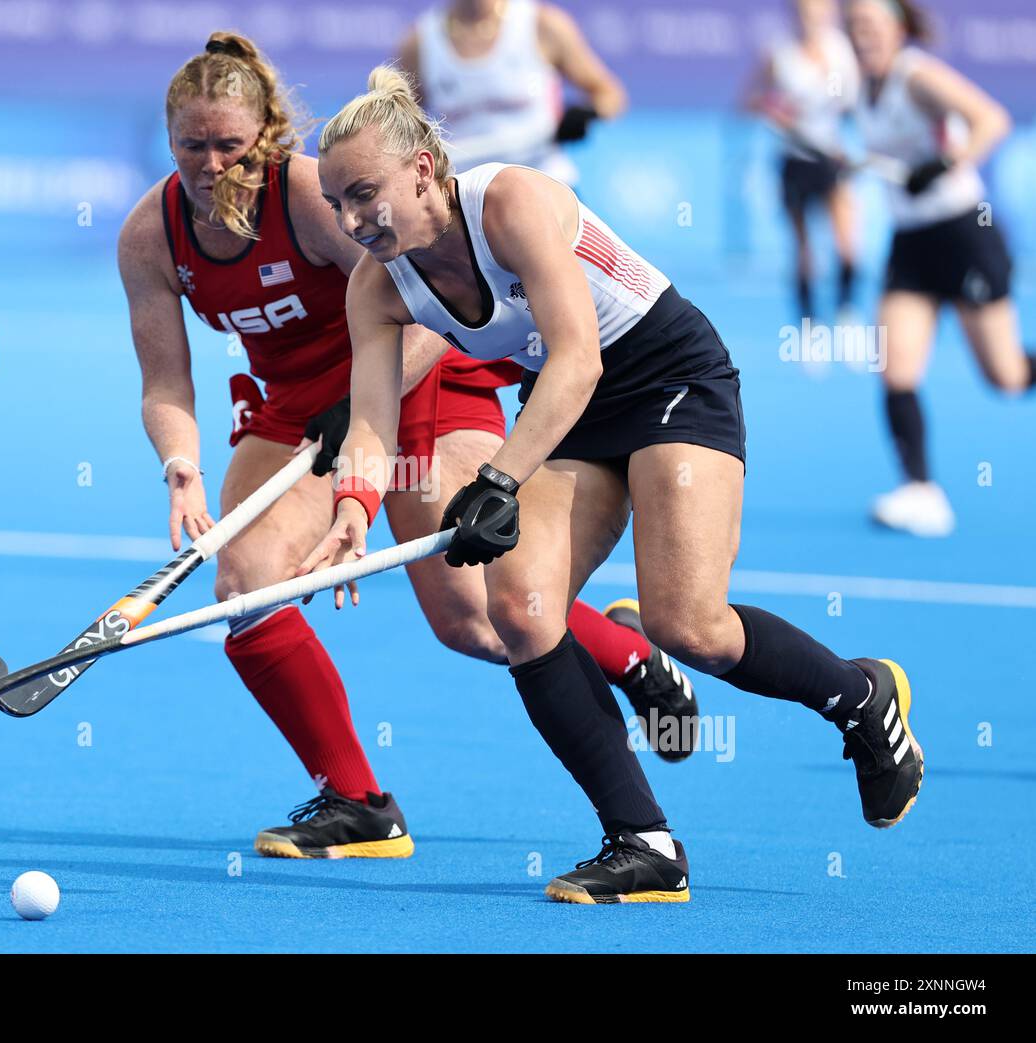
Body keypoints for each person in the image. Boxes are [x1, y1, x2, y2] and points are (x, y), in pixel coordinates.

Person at [305, 66, 924, 904]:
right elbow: (372, 424)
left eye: (363, 193)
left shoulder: (511, 203)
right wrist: (352, 509)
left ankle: (862, 697)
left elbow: (578, 357)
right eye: (338, 202)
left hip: (665, 374)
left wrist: (497, 478)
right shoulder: (376, 286)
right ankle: (645, 840)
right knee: (520, 612)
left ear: (423, 170)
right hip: (574, 411)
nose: (350, 220)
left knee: (690, 625)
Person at [118, 33, 695, 862]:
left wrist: (357, 406)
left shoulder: (318, 197)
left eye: (230, 145)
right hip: (292, 415)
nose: (210, 165)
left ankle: (628, 652)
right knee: (245, 584)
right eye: (191, 146)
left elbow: (421, 309)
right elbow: (166, 383)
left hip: (420, 380)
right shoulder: (153, 234)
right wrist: (181, 467)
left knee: (476, 619)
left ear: (268, 135)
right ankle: (358, 802)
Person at [846, 0, 1034, 537]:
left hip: (963, 235)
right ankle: (922, 491)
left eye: (874, 27)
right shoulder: (858, 88)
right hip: (910, 243)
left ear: (898, 29)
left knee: (1006, 376)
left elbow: (990, 119)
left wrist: (945, 165)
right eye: (856, 28)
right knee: (896, 368)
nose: (865, 37)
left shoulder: (918, 75)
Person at [397, 0, 625, 184]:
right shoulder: (420, 43)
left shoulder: (541, 24)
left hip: (545, 182)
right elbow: (398, 124)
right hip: (465, 195)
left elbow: (608, 93)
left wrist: (586, 113)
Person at [744, 0, 861, 326]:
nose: (812, 17)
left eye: (818, 9)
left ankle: (845, 314)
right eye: (804, 10)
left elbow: (855, 103)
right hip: (794, 161)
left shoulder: (841, 51)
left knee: (848, 248)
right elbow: (750, 100)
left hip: (831, 159)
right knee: (804, 250)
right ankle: (809, 325)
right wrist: (774, 109)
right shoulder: (779, 54)